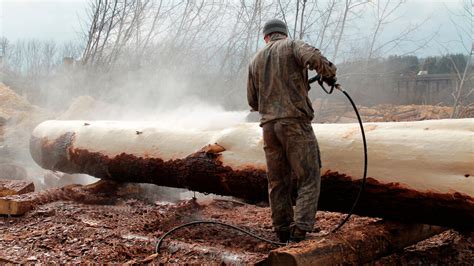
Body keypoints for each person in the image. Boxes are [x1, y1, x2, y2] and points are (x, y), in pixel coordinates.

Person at [247, 18, 337, 242]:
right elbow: (316, 58)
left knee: (277, 182)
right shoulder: (293, 45)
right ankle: (300, 231)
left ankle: (282, 231)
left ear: (266, 37)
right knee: (308, 176)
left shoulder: (255, 60)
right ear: (283, 34)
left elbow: (253, 102)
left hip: (269, 127)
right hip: (295, 123)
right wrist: (329, 74)